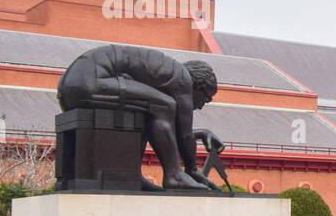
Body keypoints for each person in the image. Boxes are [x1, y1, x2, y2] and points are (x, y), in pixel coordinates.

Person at [57, 44, 222, 190]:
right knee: (164, 106)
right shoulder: (183, 78)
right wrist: (192, 169)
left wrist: (201, 133)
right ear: (199, 86)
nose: (201, 106)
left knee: (149, 110)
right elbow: (184, 134)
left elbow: (170, 130)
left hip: (70, 89)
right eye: (206, 98)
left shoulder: (167, 73)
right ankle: (174, 176)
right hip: (89, 83)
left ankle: (134, 176)